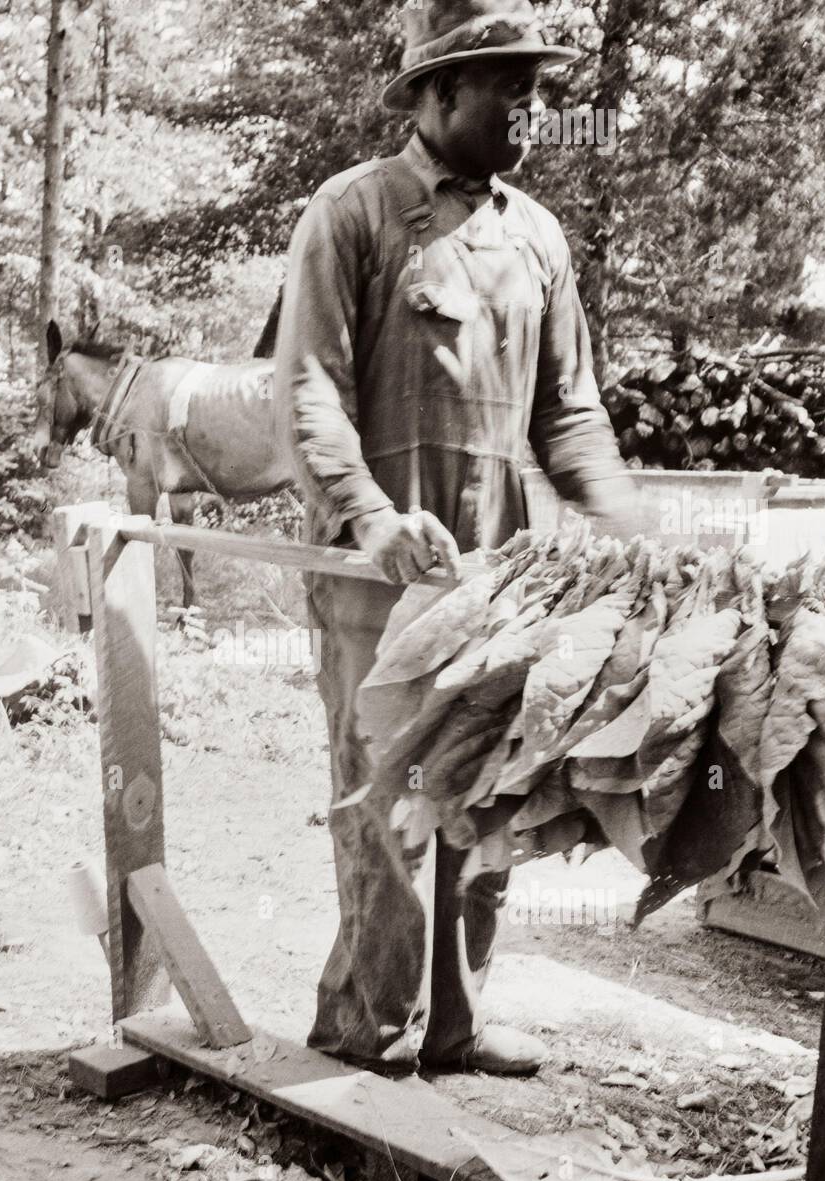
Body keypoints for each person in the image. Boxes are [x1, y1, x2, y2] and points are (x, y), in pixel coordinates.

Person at [272, 0, 636, 1079]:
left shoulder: (535, 236)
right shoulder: (352, 214)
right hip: (375, 580)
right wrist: (371, 517)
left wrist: (627, 526)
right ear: (436, 94)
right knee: (384, 800)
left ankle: (456, 1025)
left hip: (499, 581)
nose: (534, 109)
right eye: (509, 87)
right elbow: (304, 392)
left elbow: (567, 411)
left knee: (483, 795)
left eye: (537, 86)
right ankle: (366, 1032)